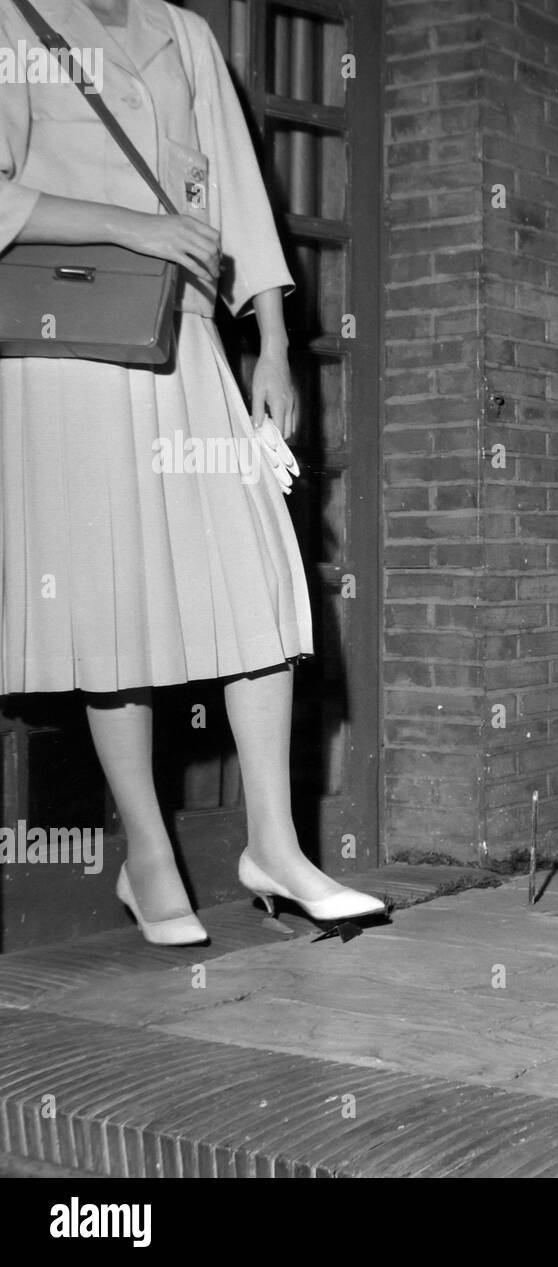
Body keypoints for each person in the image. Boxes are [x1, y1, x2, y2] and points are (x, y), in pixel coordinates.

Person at [0, 0, 383, 943]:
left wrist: (276, 344)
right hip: (68, 345)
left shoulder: (184, 29)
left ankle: (275, 844)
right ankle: (149, 852)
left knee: (254, 574)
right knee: (110, 599)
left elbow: (241, 194)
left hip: (191, 335)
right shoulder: (12, 22)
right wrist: (128, 225)